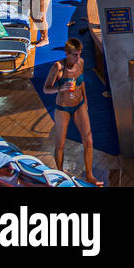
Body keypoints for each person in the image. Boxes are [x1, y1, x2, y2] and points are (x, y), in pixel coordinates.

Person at [42, 39, 101, 185]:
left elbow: (82, 85)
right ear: (66, 54)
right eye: (74, 55)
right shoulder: (58, 67)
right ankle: (60, 175)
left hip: (79, 105)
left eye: (79, 54)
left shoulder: (80, 63)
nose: (77, 58)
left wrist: (86, 103)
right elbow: (46, 88)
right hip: (63, 108)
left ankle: (89, 175)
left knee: (89, 141)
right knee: (60, 143)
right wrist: (60, 88)